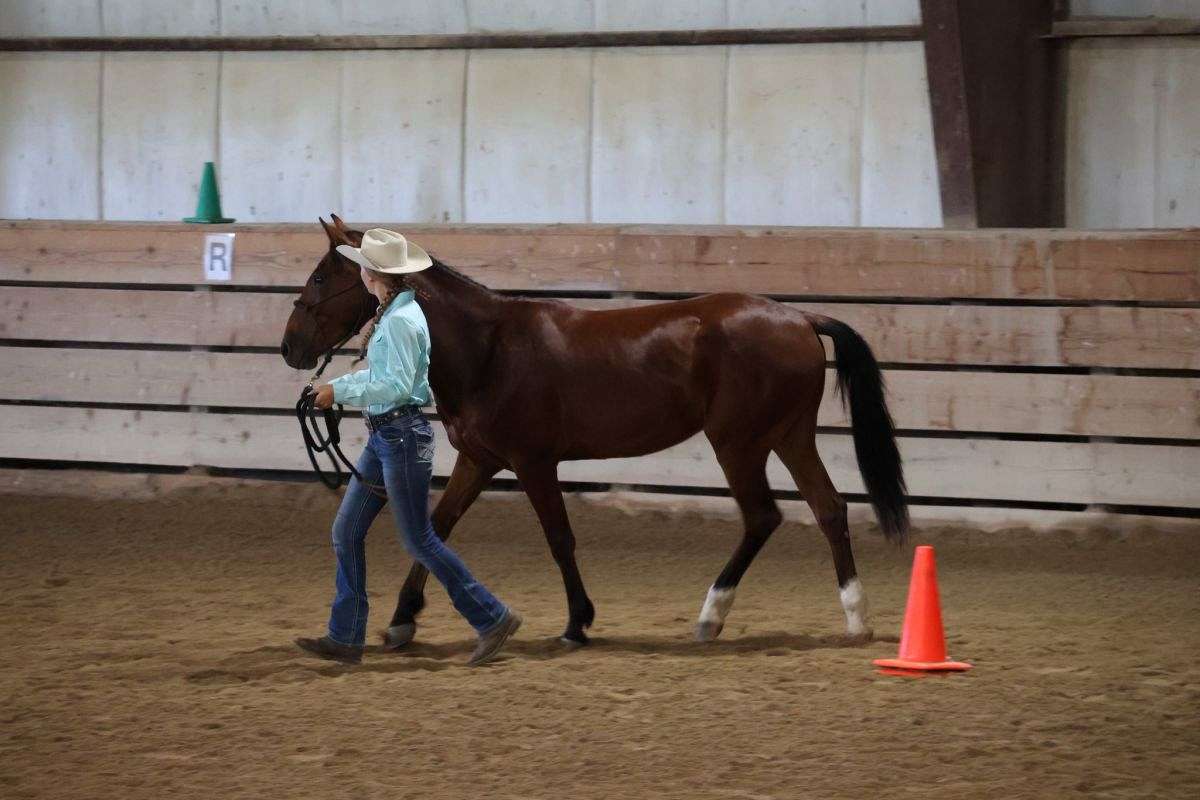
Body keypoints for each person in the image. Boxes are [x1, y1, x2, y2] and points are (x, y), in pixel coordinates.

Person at [294, 228, 520, 667]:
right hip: (389, 436)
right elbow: (387, 379)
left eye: (362, 264)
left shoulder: (398, 320)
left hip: (399, 437)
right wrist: (335, 387)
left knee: (419, 540)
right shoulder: (395, 312)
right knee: (347, 532)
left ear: (371, 273)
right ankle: (345, 636)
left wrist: (337, 392)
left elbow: (395, 385)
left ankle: (492, 617)